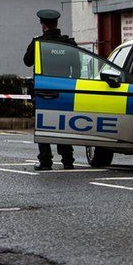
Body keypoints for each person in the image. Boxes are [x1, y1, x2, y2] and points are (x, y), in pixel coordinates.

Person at [23, 9, 76, 171]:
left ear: (43, 25)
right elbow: (78, 66)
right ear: (56, 24)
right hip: (65, 88)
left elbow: (27, 62)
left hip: (43, 89)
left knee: (43, 124)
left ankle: (45, 161)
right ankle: (68, 160)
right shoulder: (68, 43)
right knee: (63, 124)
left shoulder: (38, 43)